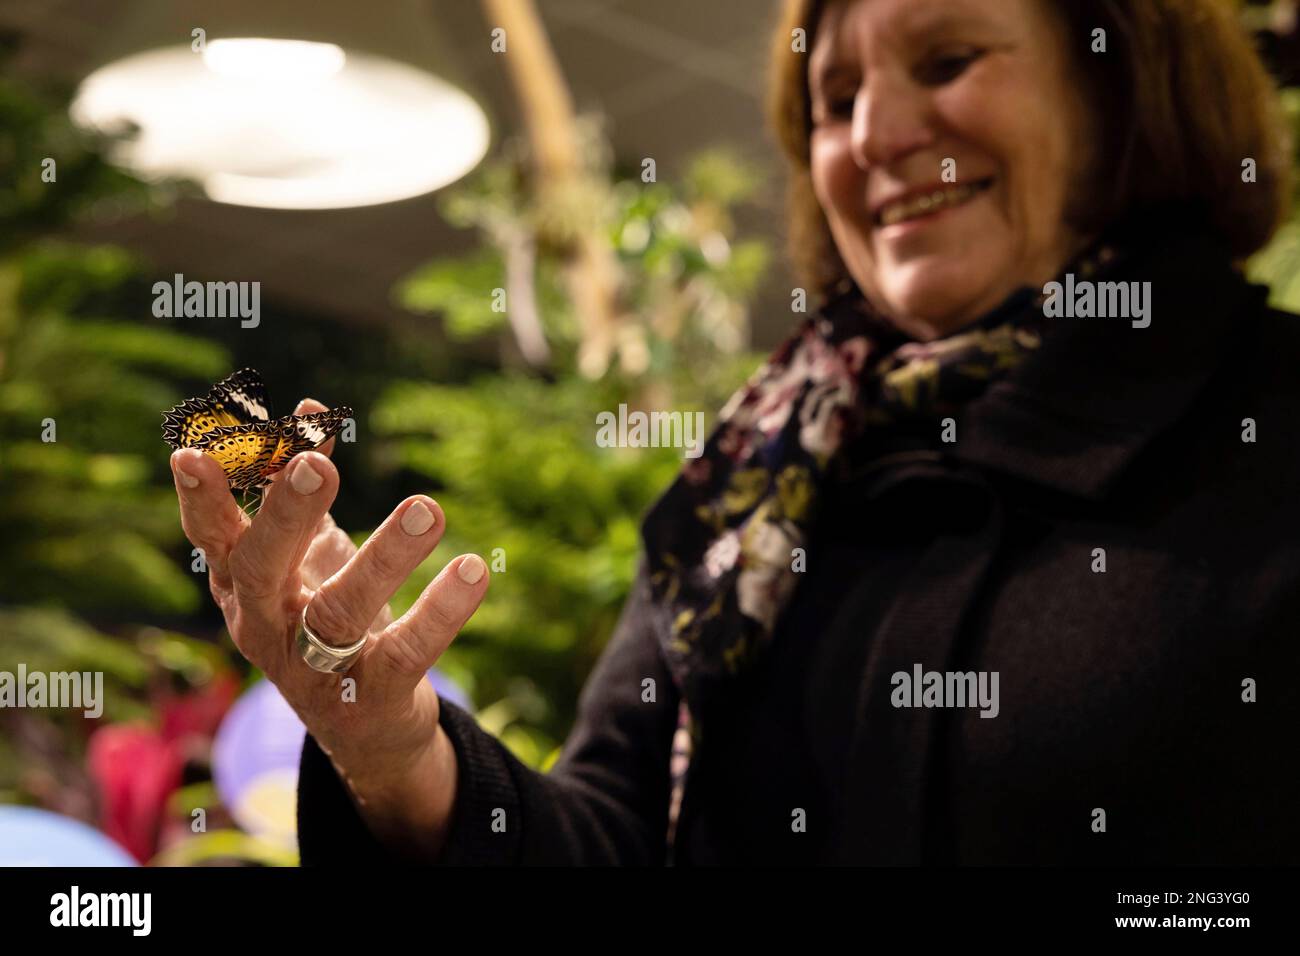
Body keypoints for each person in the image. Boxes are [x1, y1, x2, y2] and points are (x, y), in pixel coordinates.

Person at [171, 0, 1300, 865]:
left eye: (947, 60)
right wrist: (399, 757)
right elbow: (611, 837)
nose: (878, 134)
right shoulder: (759, 475)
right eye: (833, 98)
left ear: (1121, 88)